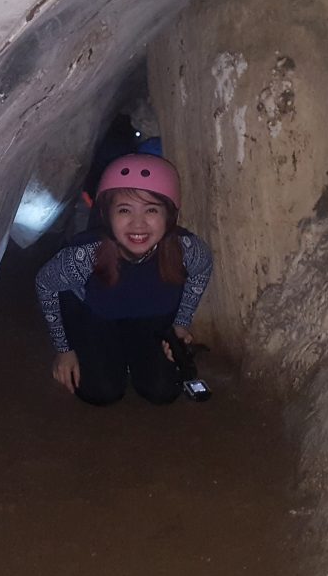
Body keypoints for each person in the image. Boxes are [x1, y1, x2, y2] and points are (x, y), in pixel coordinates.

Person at [34, 154, 213, 405]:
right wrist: (64, 349)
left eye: (151, 209)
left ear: (169, 216)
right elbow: (46, 284)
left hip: (148, 316)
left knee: (163, 391)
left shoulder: (188, 251)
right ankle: (114, 352)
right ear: (107, 216)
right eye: (124, 210)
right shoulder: (84, 256)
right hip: (96, 316)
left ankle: (128, 351)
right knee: (101, 392)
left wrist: (180, 325)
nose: (138, 224)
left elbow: (202, 271)